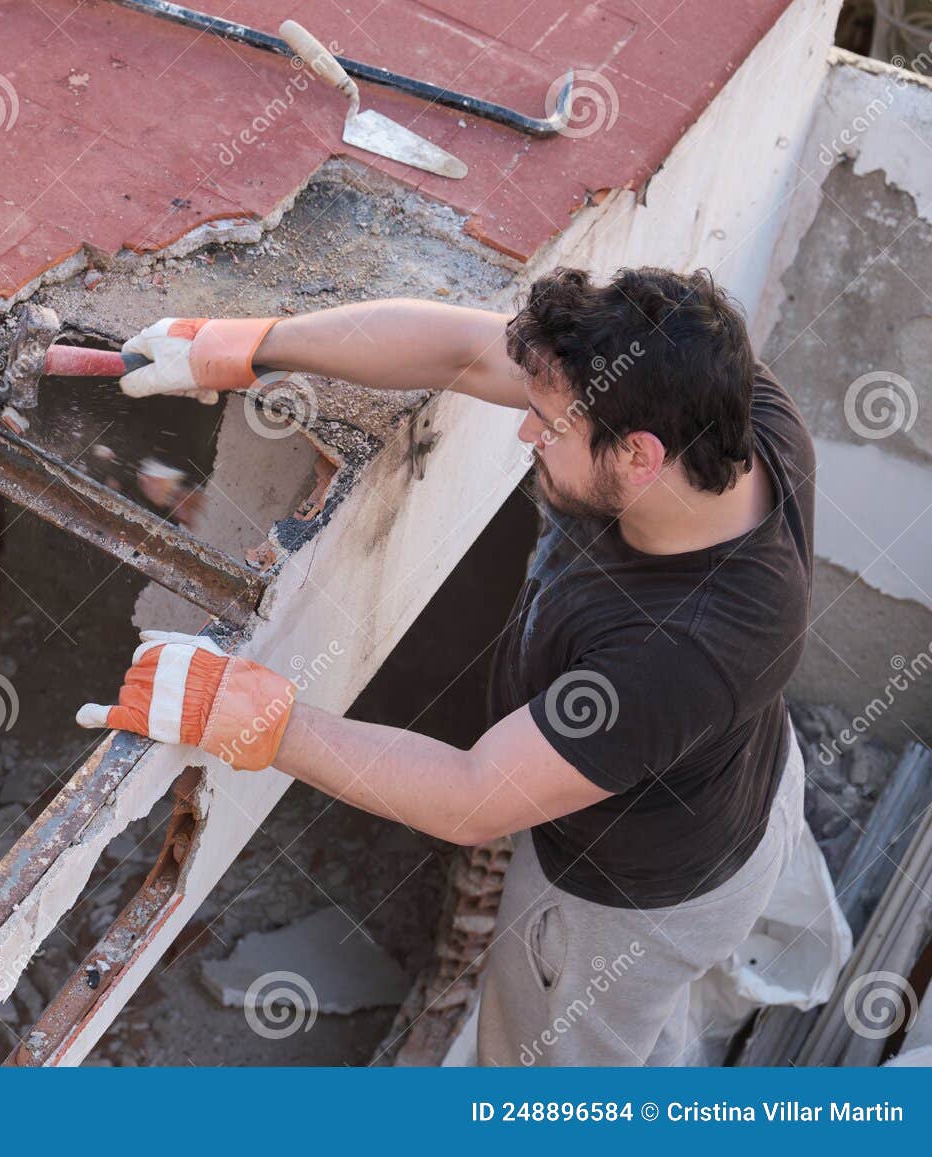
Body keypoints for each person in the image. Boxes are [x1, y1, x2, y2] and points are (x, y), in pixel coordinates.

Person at [76, 267, 827, 1065]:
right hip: (730, 787)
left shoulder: (682, 652)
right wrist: (253, 344)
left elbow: (474, 797)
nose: (524, 432)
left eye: (547, 425)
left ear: (639, 457)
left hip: (628, 903)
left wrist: (253, 716)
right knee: (647, 1025)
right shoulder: (730, 407)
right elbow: (467, 350)